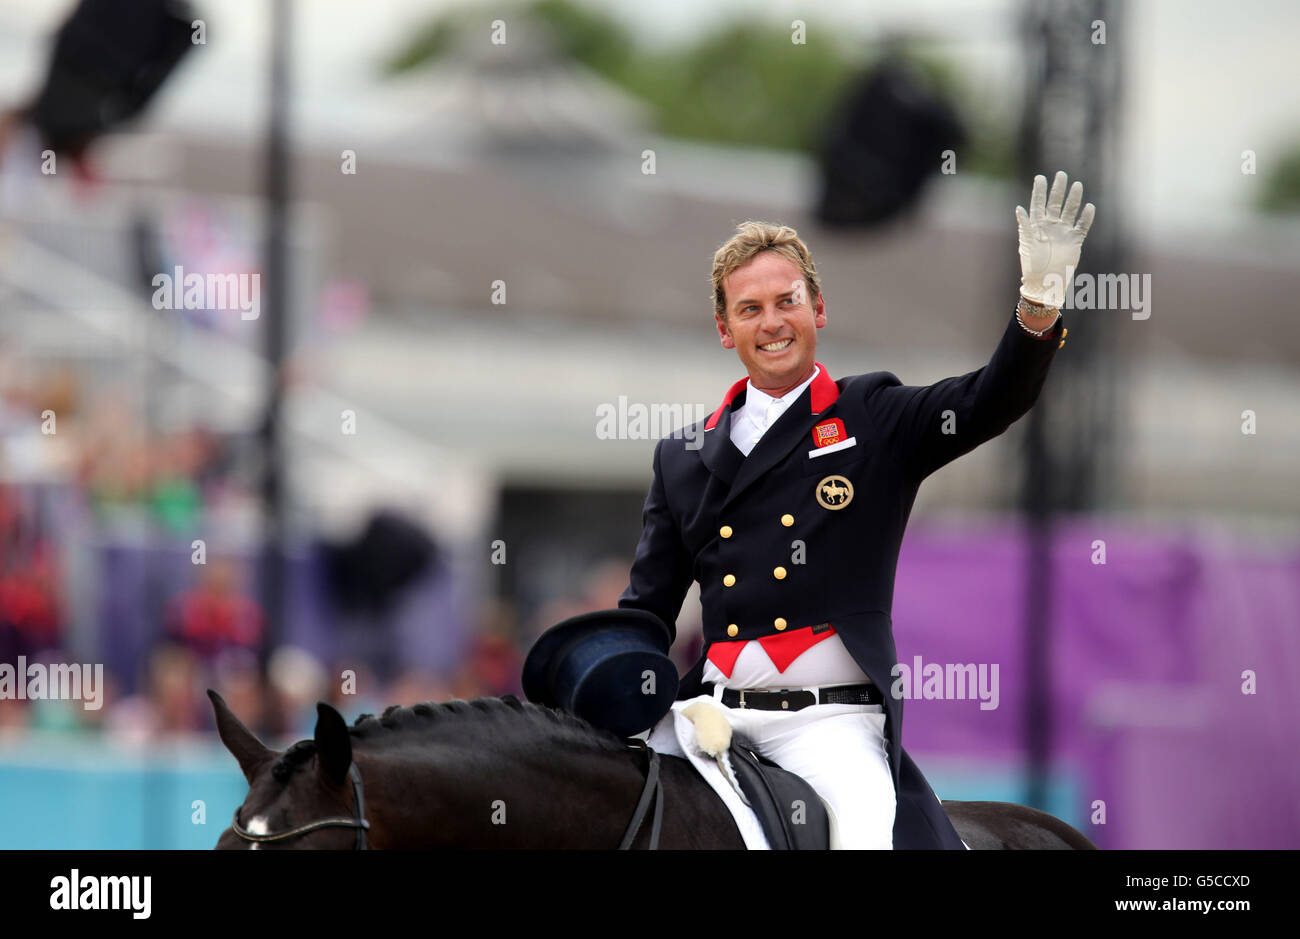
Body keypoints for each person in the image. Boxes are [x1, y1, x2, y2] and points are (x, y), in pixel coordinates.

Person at [616, 171, 1094, 848]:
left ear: (818, 308)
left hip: (829, 728)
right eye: (750, 310)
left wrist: (1038, 308)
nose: (772, 322)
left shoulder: (873, 417)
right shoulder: (683, 455)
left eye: (787, 302)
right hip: (708, 717)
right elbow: (646, 611)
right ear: (725, 329)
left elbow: (990, 399)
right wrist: (600, 684)